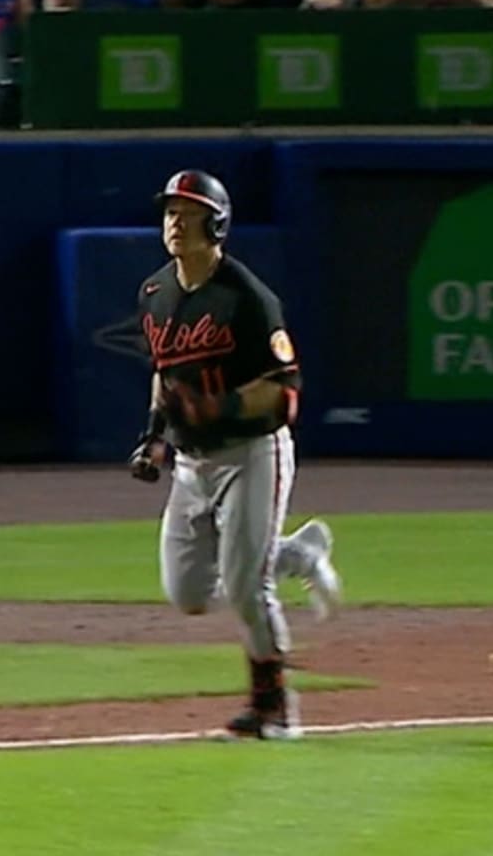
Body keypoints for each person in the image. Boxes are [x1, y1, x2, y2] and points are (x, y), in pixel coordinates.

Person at [128, 168, 342, 741]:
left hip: (253, 452)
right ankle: (293, 554)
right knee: (188, 593)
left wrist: (216, 409)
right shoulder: (155, 292)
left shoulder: (247, 297)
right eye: (170, 211)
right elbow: (164, 375)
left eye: (188, 213)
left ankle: (274, 707)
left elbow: (284, 387)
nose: (175, 222)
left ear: (216, 223)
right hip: (193, 464)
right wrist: (155, 435)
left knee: (246, 588)